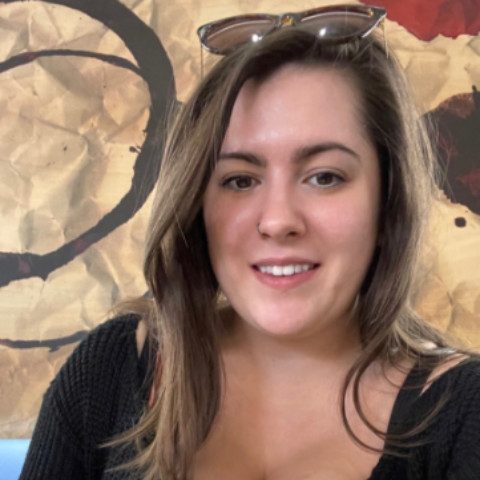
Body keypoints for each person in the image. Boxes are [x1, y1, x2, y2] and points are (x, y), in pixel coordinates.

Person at [20, 4, 480, 480]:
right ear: (197, 206)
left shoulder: (466, 414)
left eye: (324, 176)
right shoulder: (112, 369)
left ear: (387, 203)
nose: (277, 221)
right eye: (240, 180)